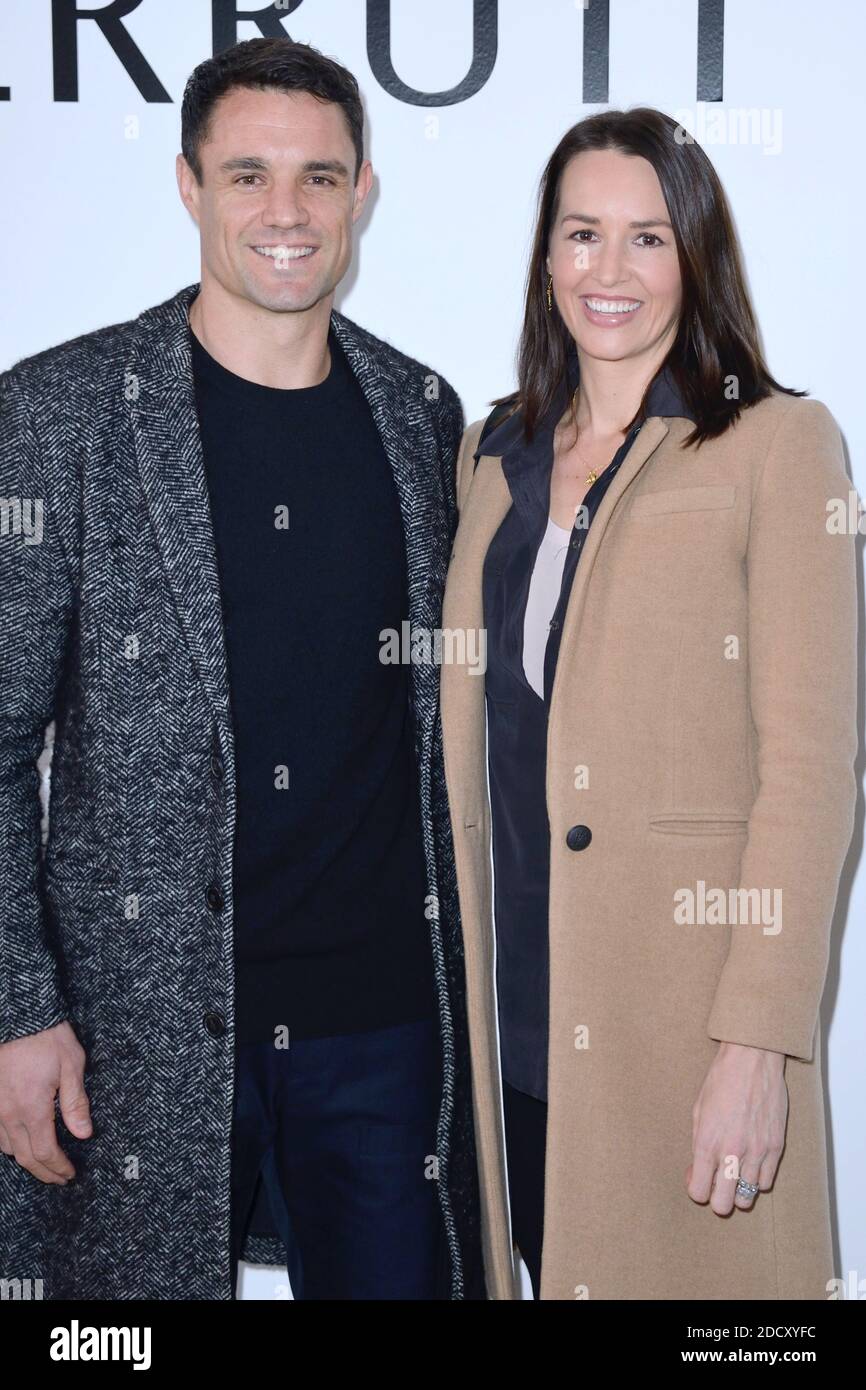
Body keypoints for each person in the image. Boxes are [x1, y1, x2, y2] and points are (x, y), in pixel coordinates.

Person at [0, 37, 484, 1300]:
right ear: (187, 185)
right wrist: (16, 1010)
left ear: (362, 192)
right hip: (138, 1026)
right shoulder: (58, 415)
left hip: (384, 1027)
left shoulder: (419, 412)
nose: (286, 212)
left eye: (319, 178)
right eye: (248, 175)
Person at [440, 107, 857, 1300]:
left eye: (645, 239)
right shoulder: (490, 453)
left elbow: (812, 764)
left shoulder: (776, 444)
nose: (606, 272)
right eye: (580, 235)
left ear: (695, 257)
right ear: (545, 256)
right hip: (515, 1011)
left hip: (682, 1020)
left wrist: (757, 1042)